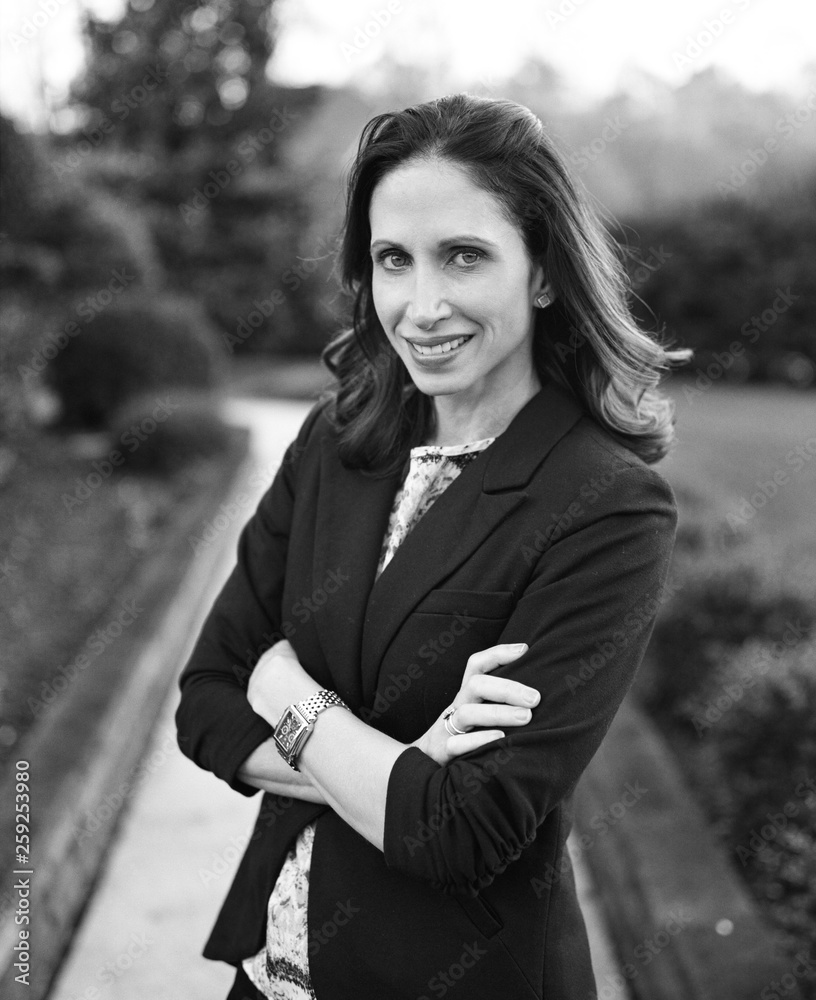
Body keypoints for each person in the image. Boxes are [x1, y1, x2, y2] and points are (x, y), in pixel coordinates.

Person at [175, 93, 688, 1000]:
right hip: (271, 971)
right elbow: (207, 704)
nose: (420, 306)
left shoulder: (607, 507)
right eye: (392, 260)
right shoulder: (336, 443)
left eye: (463, 256)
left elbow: (462, 833)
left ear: (542, 271)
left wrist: (285, 689)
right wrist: (393, 771)